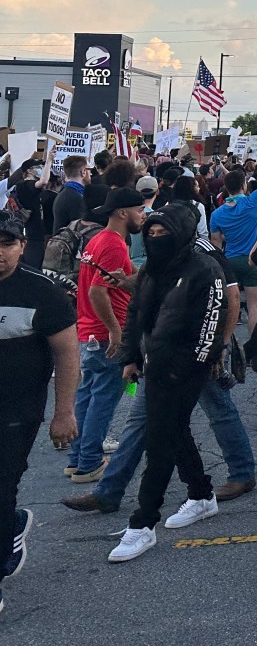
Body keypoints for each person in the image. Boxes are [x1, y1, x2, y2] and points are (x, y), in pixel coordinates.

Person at [108, 203, 226, 563]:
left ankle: (142, 523)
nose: (156, 239)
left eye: (164, 234)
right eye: (152, 234)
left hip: (183, 370)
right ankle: (201, 493)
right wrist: (130, 356)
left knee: (159, 440)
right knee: (173, 432)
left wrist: (185, 369)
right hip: (152, 366)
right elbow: (135, 313)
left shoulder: (205, 270)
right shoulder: (151, 270)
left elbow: (211, 330)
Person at [0, 210, 78, 614]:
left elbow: (67, 353)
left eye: (7, 244)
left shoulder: (41, 290)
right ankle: (10, 526)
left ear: (22, 246)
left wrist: (63, 412)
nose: (0, 253)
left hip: (17, 408)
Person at [66, 188, 143, 483]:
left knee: (89, 396)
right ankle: (89, 462)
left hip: (88, 331)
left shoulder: (100, 240)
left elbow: (130, 277)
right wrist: (115, 330)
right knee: (103, 399)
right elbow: (97, 290)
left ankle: (78, 458)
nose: (143, 216)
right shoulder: (112, 244)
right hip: (103, 332)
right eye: (139, 210)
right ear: (122, 213)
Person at [208, 166, 257, 332]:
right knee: (255, 308)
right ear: (244, 185)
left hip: (229, 261)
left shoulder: (217, 214)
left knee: (230, 309)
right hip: (252, 260)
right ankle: (254, 350)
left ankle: (225, 346)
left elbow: (216, 242)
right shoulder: (251, 202)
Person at [51, 155, 90, 231]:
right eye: (89, 169)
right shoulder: (75, 197)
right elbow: (81, 229)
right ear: (83, 172)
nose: (91, 174)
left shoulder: (65, 192)